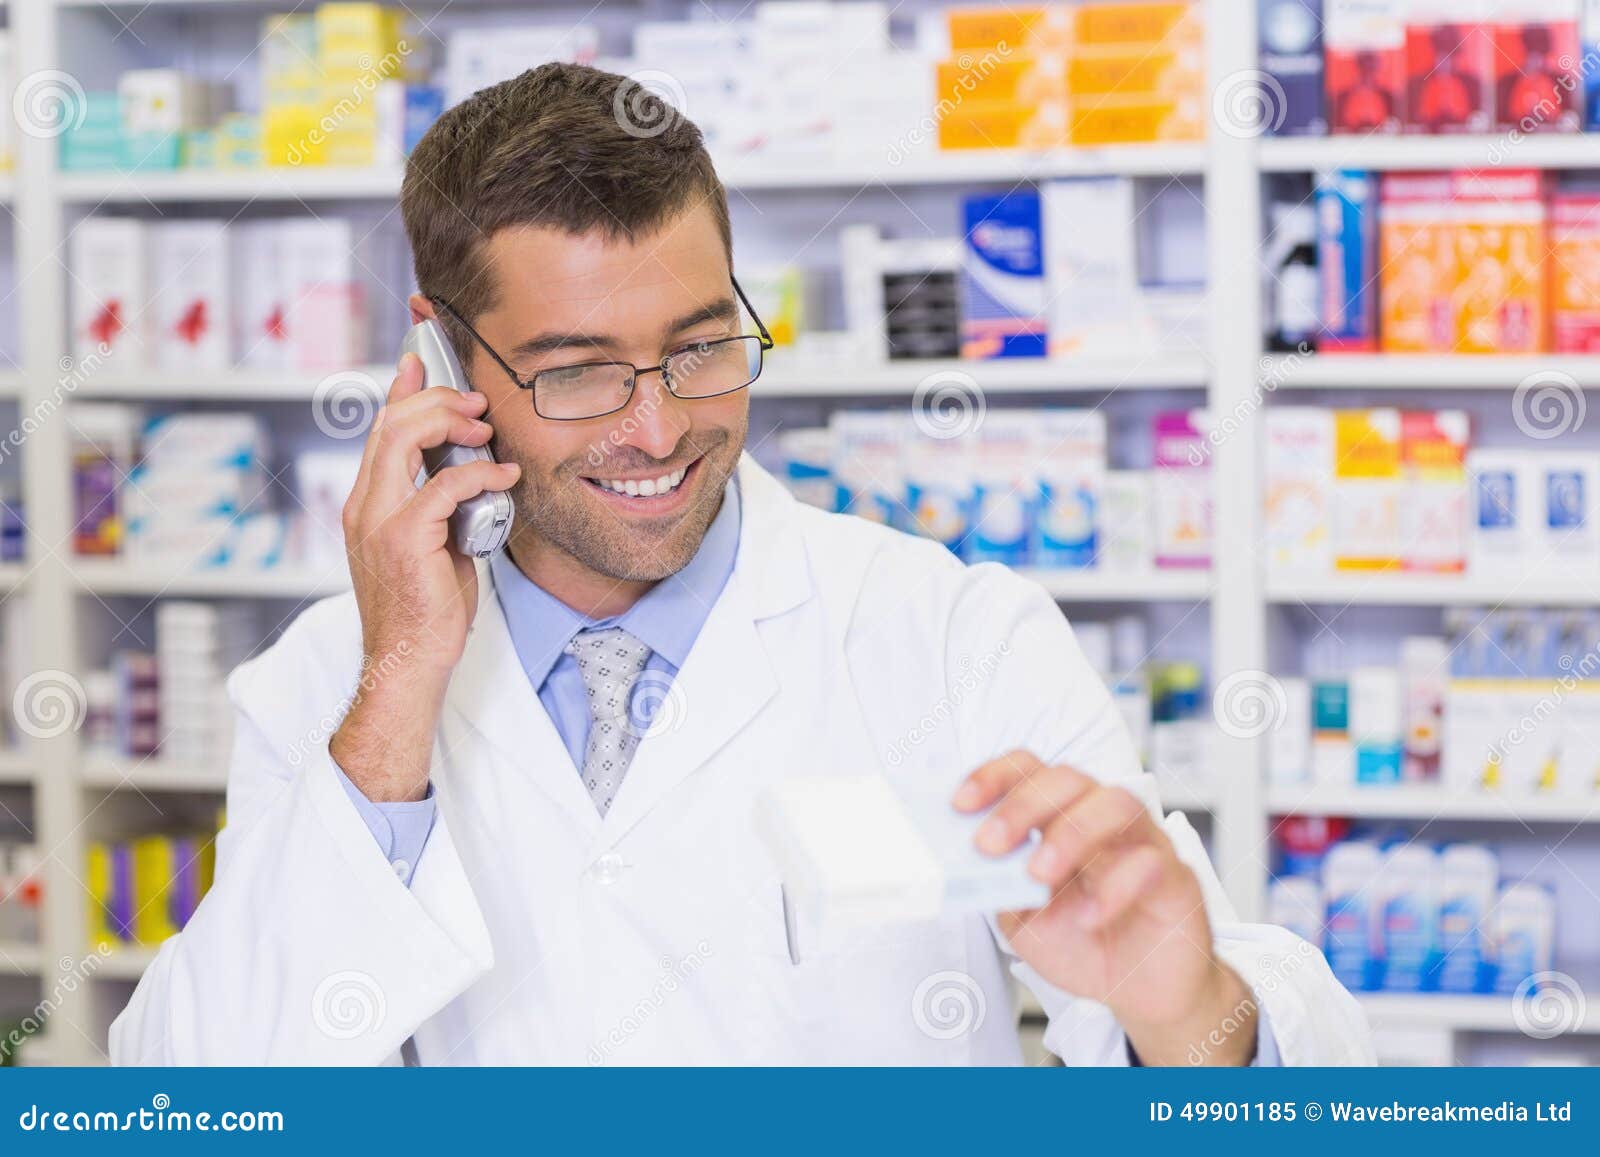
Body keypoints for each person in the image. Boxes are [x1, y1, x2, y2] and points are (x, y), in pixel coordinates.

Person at [112, 63, 1372, 1066]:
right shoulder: (334, 684)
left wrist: (1187, 1006)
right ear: (442, 365)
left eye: (702, 345)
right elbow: (207, 1090)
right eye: (575, 370)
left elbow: (1257, 1081)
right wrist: (398, 688)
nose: (657, 428)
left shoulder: (952, 636)